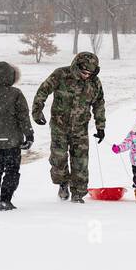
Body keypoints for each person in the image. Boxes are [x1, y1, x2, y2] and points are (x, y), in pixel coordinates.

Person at [31, 51, 105, 203]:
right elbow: (43, 91)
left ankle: (78, 194)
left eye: (90, 73)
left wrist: (100, 126)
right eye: (84, 72)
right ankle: (63, 183)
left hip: (81, 128)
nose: (86, 75)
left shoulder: (94, 82)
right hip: (60, 126)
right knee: (59, 159)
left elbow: (99, 103)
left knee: (81, 162)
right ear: (77, 66)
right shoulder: (61, 74)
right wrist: (37, 111)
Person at [0, 60, 33, 211]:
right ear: (12, 76)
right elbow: (23, 116)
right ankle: (5, 200)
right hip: (12, 140)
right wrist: (29, 135)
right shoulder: (16, 93)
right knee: (11, 170)